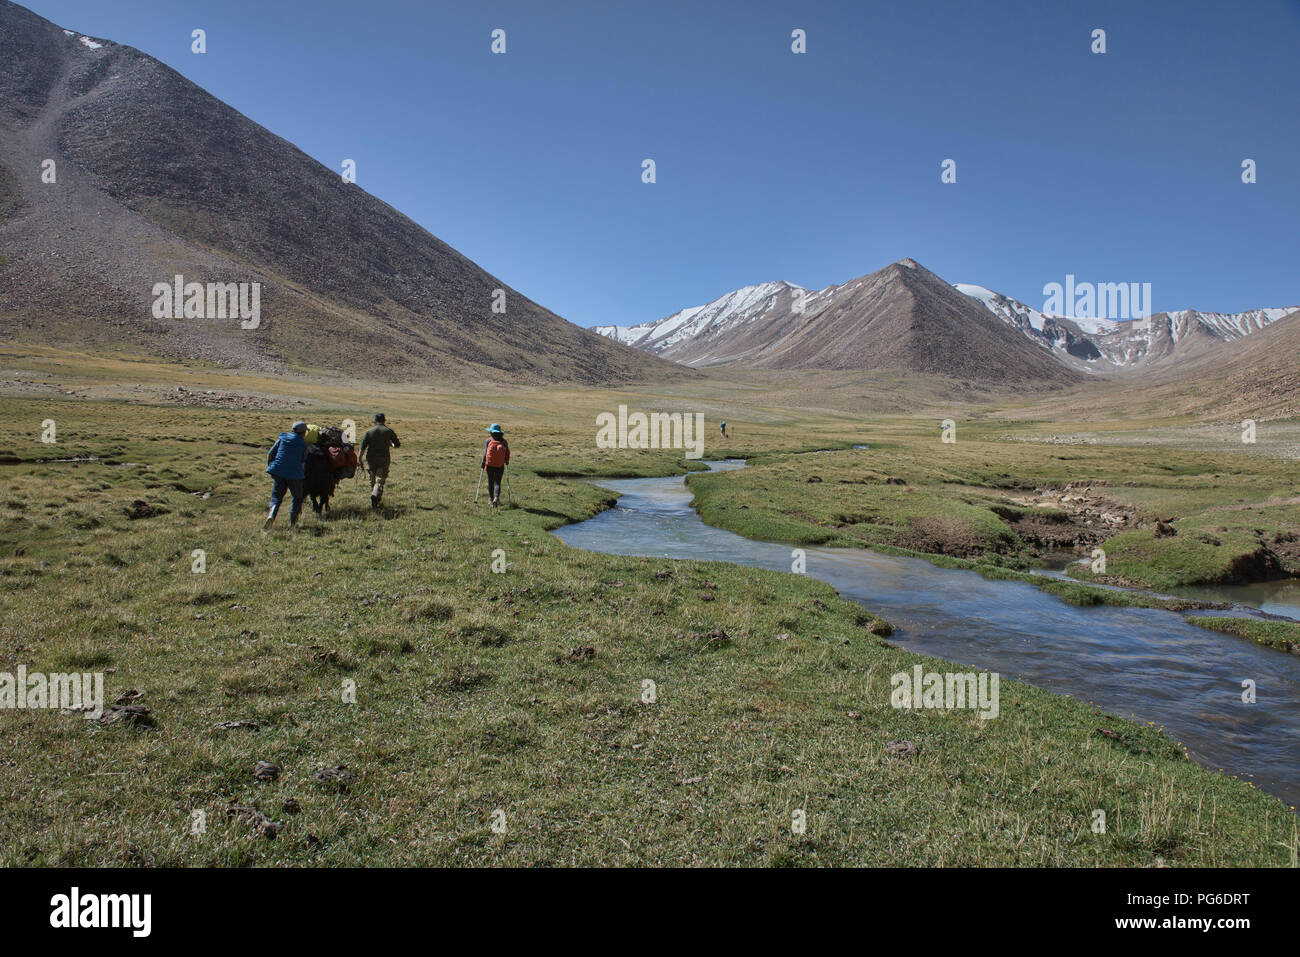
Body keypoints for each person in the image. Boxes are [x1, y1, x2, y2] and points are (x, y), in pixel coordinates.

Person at [264, 420, 308, 529]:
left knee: (276, 497)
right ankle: (293, 524)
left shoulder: (282, 437)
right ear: (303, 432)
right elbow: (303, 461)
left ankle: (271, 515)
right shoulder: (303, 444)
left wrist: (271, 467)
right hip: (295, 474)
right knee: (297, 498)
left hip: (278, 471)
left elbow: (271, 453)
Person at [358, 413, 400, 508]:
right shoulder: (388, 431)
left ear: (375, 421)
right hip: (383, 459)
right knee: (379, 481)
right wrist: (391, 444)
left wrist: (359, 459)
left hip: (371, 459)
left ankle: (375, 502)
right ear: (384, 420)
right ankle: (375, 497)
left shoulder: (369, 432)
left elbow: (362, 447)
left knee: (372, 481)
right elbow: (397, 444)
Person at [481, 424, 510, 507]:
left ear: (491, 432)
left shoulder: (488, 441)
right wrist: (506, 461)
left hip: (489, 464)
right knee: (497, 482)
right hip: (500, 465)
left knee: (490, 481)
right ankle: (496, 498)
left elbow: (485, 453)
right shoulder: (504, 442)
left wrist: (483, 463)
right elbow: (507, 452)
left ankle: (491, 499)